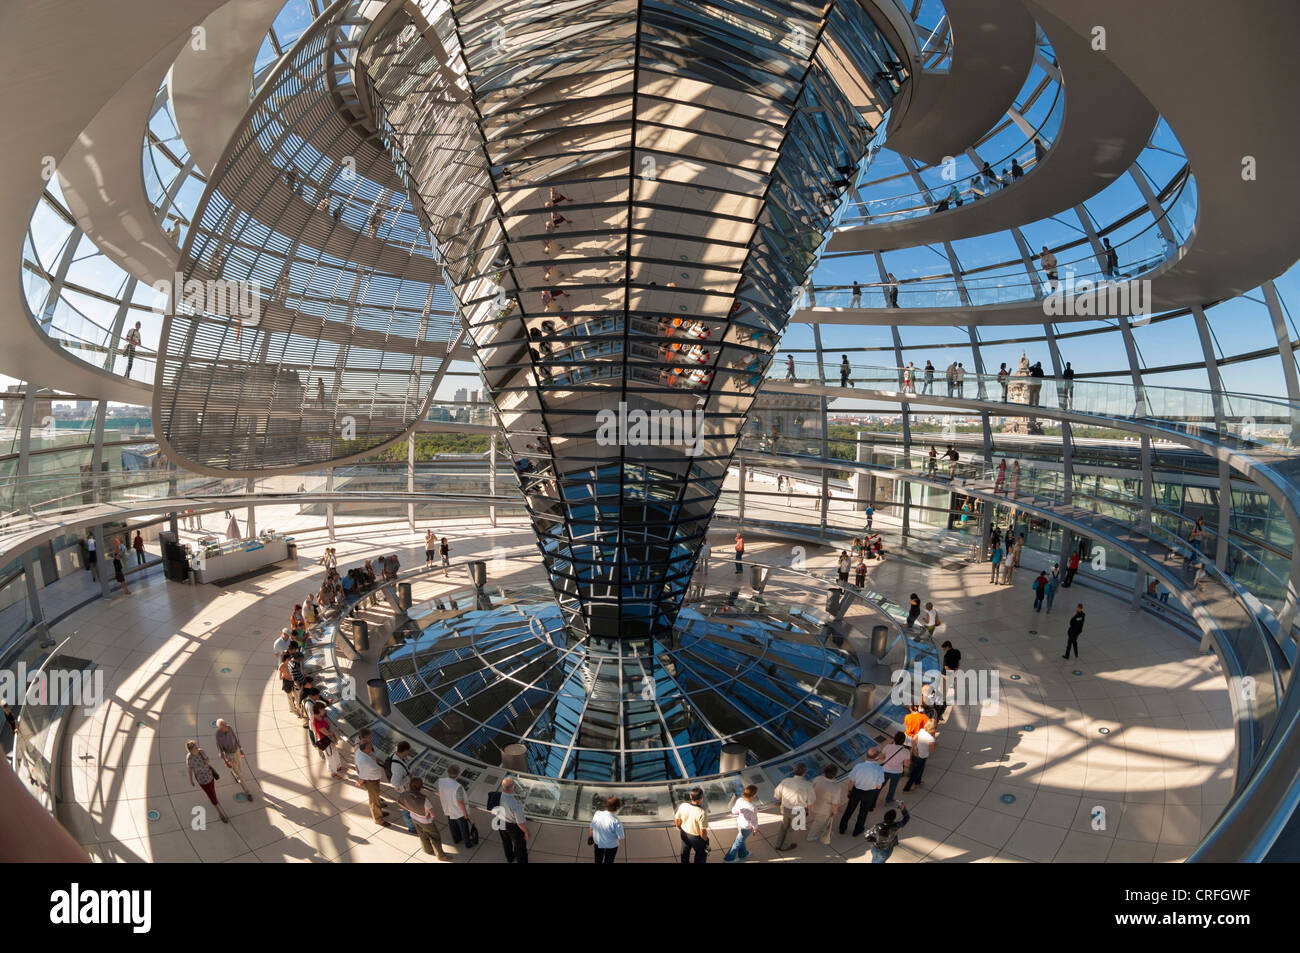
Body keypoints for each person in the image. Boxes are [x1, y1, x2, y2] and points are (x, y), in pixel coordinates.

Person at [400, 778, 450, 860]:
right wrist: (431, 817)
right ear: (421, 787)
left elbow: (398, 802)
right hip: (425, 821)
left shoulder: (405, 794)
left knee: (422, 835)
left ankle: (427, 849)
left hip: (414, 818)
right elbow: (432, 814)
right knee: (435, 837)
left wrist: (409, 809)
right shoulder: (424, 799)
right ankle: (441, 855)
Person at [772, 762, 816, 851]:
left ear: (794, 771)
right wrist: (808, 811)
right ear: (805, 772)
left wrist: (783, 800)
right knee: (792, 830)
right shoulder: (808, 785)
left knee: (784, 826)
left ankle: (778, 844)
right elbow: (810, 802)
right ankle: (785, 846)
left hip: (785, 808)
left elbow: (777, 795)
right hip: (799, 810)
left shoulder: (785, 781)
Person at [839, 752, 884, 836]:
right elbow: (878, 787)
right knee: (863, 812)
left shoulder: (858, 766)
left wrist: (849, 791)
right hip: (869, 794)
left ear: (866, 755)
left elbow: (852, 781)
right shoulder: (879, 769)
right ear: (876, 757)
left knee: (849, 810)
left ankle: (842, 828)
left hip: (856, 792)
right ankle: (857, 830)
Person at [185, 740, 229, 823]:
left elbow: (208, 760)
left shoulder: (201, 751)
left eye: (197, 747)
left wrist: (206, 761)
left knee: (212, 790)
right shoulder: (189, 758)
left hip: (210, 776)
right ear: (191, 751)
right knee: (210, 794)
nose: (197, 748)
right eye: (195, 748)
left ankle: (214, 799)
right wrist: (191, 780)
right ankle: (220, 813)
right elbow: (190, 770)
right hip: (202, 780)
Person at [354, 732, 390, 825]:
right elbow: (363, 775)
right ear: (366, 748)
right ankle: (378, 819)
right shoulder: (364, 761)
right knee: (374, 801)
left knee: (375, 798)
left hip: (373, 780)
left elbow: (357, 766)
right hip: (371, 782)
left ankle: (379, 812)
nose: (372, 748)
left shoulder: (359, 752)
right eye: (370, 746)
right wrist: (360, 782)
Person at [495, 777, 530, 863]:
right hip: (512, 827)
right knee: (519, 846)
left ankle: (510, 858)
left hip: (501, 822)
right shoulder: (515, 804)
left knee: (506, 842)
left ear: (502, 787)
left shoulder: (497, 796)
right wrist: (526, 832)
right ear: (512, 788)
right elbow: (520, 823)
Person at [807, 765, 845, 843]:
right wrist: (835, 812)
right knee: (819, 822)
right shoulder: (836, 787)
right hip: (825, 808)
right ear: (835, 774)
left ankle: (824, 829)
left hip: (814, 802)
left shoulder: (818, 778)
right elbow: (835, 803)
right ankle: (811, 836)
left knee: (821, 820)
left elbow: (811, 788)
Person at [437, 765, 472, 847]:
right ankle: (468, 843)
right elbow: (460, 802)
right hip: (458, 811)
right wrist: (465, 813)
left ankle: (456, 839)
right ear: (457, 774)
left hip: (448, 808)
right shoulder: (457, 787)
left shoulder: (441, 781)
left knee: (452, 826)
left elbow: (439, 792)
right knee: (463, 827)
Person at [724, 785, 760, 862]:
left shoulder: (740, 800)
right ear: (753, 795)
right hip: (746, 827)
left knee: (741, 840)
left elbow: (734, 811)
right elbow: (754, 820)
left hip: (739, 823)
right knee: (738, 842)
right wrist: (755, 828)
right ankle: (729, 858)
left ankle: (743, 854)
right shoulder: (752, 807)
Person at [213, 719, 249, 793]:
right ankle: (247, 790)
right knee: (239, 772)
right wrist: (225, 761)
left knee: (239, 768)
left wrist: (240, 749)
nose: (226, 727)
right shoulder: (218, 735)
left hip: (236, 751)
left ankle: (237, 776)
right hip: (229, 755)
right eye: (224, 726)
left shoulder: (229, 728)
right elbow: (220, 749)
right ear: (220, 728)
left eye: (226, 724)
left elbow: (235, 738)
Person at [674, 787, 709, 863]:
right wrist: (705, 840)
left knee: (685, 852)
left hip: (684, 833)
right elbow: (702, 831)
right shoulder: (701, 813)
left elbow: (677, 820)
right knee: (701, 854)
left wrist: (680, 828)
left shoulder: (683, 806)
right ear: (701, 798)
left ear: (690, 796)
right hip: (696, 838)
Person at [311, 703, 346, 778]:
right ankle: (333, 773)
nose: (324, 710)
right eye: (323, 709)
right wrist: (334, 732)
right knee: (330, 757)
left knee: (335, 753)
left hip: (329, 740)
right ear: (319, 710)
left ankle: (338, 767)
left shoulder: (320, 717)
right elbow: (326, 733)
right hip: (326, 741)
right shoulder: (317, 721)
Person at [876, 731, 910, 804]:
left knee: (880, 786)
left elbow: (881, 757)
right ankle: (889, 800)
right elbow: (906, 764)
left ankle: (873, 800)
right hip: (897, 772)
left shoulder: (888, 746)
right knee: (892, 787)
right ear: (903, 740)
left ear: (894, 739)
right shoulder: (906, 751)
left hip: (885, 770)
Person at [390, 741, 417, 833]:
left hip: (404, 788)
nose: (408, 753)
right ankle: (412, 827)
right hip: (403, 790)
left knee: (408, 808)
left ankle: (412, 825)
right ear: (405, 751)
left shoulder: (396, 756)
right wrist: (408, 778)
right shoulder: (397, 767)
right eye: (408, 751)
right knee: (406, 809)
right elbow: (395, 782)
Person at [590, 797, 625, 863]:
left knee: (598, 860)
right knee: (609, 861)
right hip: (611, 846)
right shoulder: (616, 821)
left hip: (598, 843)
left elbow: (592, 827)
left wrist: (591, 836)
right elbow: (621, 837)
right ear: (617, 808)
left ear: (605, 805)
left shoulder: (597, 813)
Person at [904, 723, 935, 792]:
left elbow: (913, 740)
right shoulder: (931, 739)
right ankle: (906, 789)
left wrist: (915, 749)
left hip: (914, 754)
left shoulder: (921, 731)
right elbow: (931, 751)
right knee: (916, 773)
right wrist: (935, 746)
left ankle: (918, 782)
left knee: (920, 770)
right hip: (922, 757)